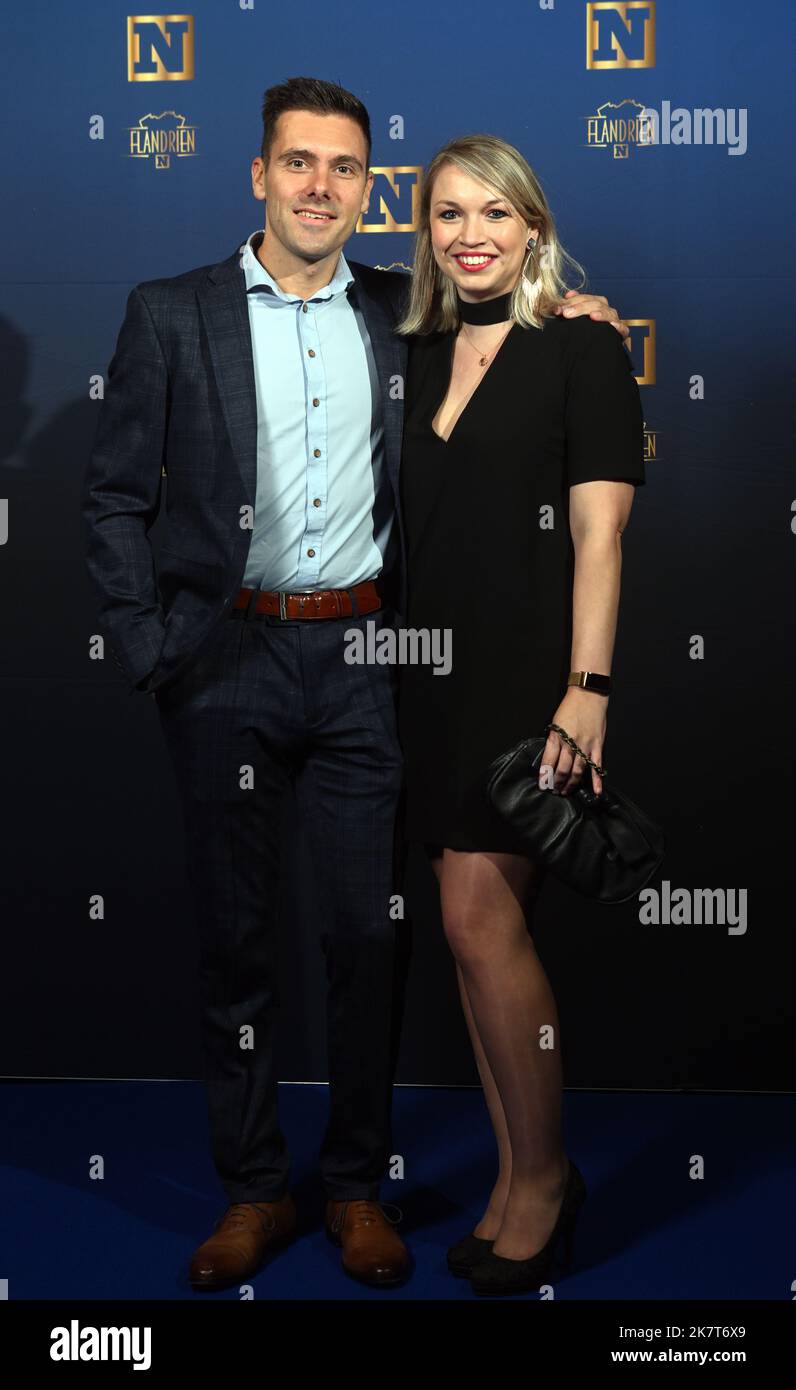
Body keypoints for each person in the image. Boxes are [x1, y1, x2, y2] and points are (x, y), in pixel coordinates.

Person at [82, 76, 629, 1292]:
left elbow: (518, 343)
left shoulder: (404, 313)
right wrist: (147, 641)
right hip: (222, 655)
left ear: (369, 193)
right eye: (298, 164)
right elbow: (115, 492)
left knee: (364, 939)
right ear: (259, 176)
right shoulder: (172, 312)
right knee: (237, 945)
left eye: (344, 169)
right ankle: (251, 1191)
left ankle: (353, 1189)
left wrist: (572, 308)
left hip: (368, 663)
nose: (320, 187)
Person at [395, 134, 646, 1296]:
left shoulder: (583, 351)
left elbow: (600, 536)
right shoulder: (416, 343)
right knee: (460, 933)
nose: (471, 234)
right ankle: (509, 1173)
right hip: (424, 678)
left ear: (532, 227)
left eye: (494, 212)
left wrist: (584, 694)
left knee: (489, 927)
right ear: (427, 234)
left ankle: (546, 1178)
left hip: (527, 681)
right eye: (448, 214)